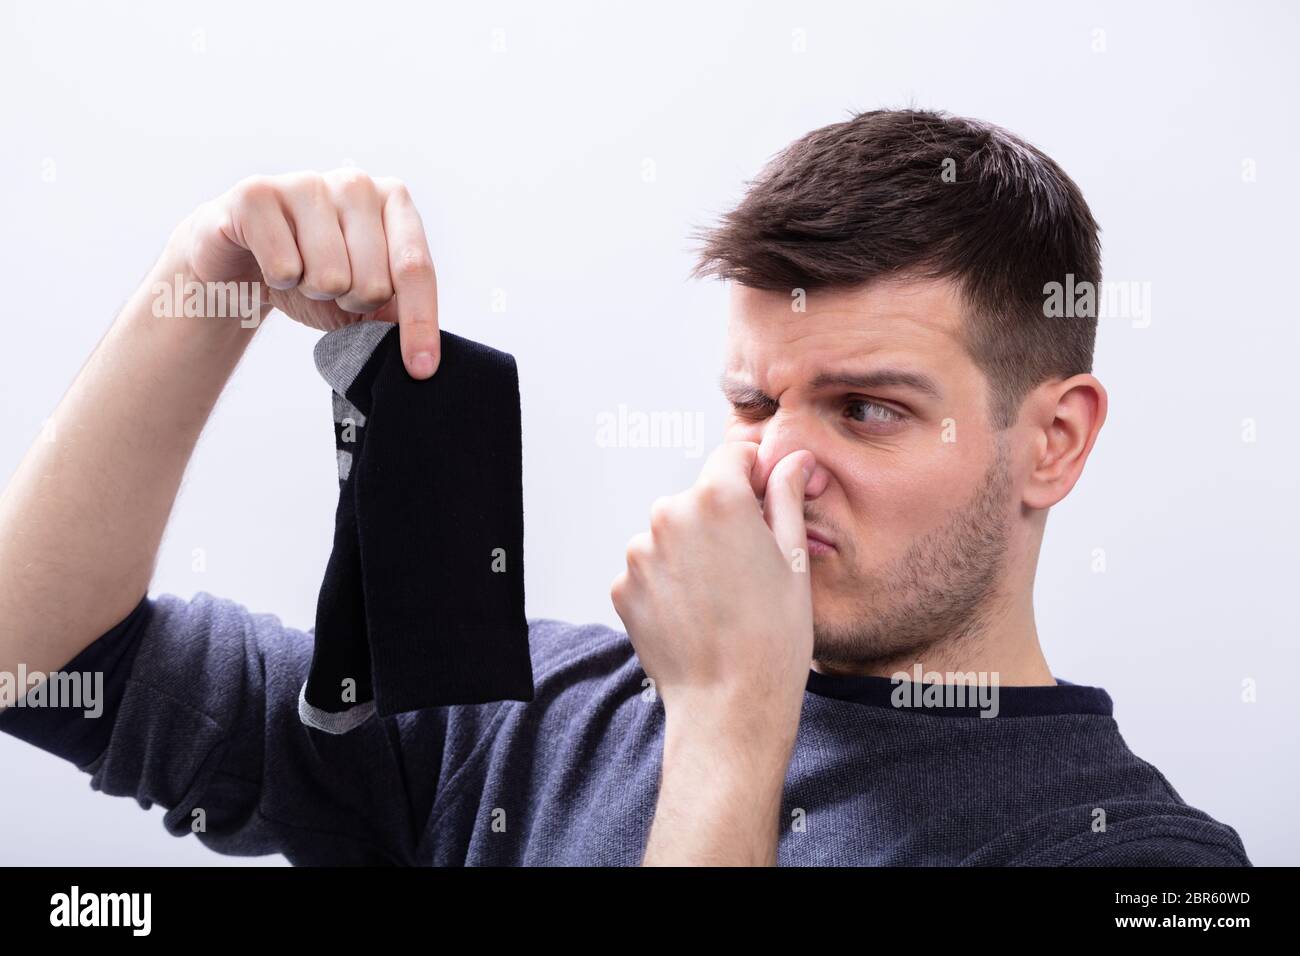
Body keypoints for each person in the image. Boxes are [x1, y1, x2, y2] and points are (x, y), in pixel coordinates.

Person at [0, 109, 1250, 866]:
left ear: (1055, 442)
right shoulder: (540, 715)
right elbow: (43, 657)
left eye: (868, 407)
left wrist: (724, 723)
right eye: (754, 404)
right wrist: (207, 271)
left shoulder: (1144, 859)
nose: (776, 464)